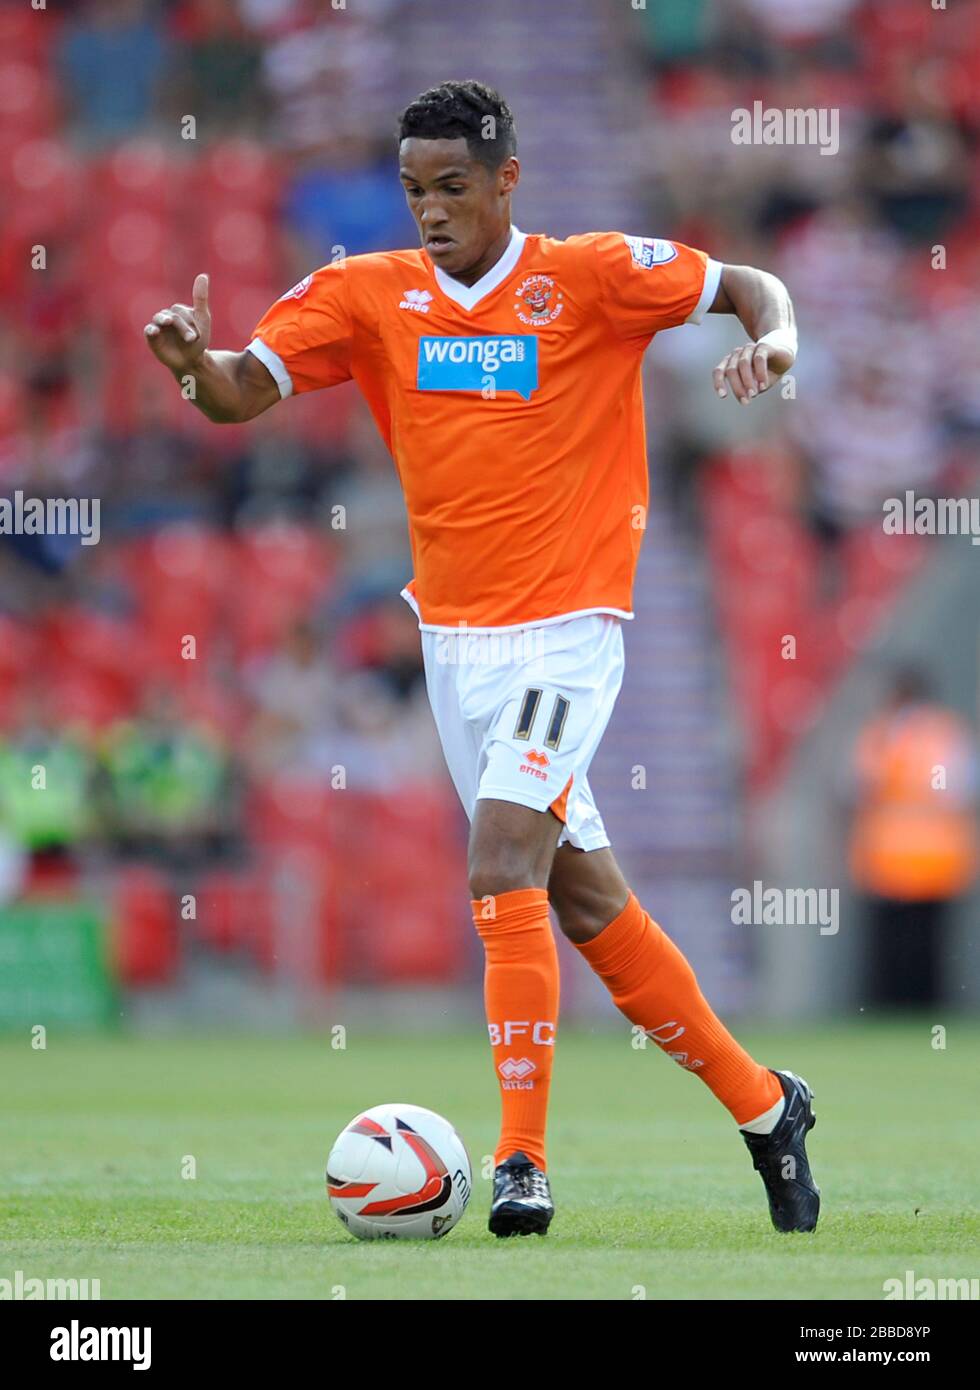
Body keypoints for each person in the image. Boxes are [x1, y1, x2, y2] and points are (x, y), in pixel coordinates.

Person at [144, 79, 818, 1237]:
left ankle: (518, 1162)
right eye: (413, 190)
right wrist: (192, 366)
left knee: (500, 855)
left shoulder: (593, 276)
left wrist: (777, 339)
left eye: (452, 186)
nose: (430, 210)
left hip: (570, 634)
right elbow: (241, 392)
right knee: (585, 902)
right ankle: (765, 1107)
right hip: (455, 643)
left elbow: (741, 284)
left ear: (507, 179)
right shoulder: (368, 295)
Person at [850, 666, 979, 1005]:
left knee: (890, 950)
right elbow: (963, 792)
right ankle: (928, 1013)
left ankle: (889, 1010)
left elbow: (857, 788)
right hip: (938, 861)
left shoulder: (882, 733)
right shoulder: (947, 733)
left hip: (888, 861)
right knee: (930, 949)